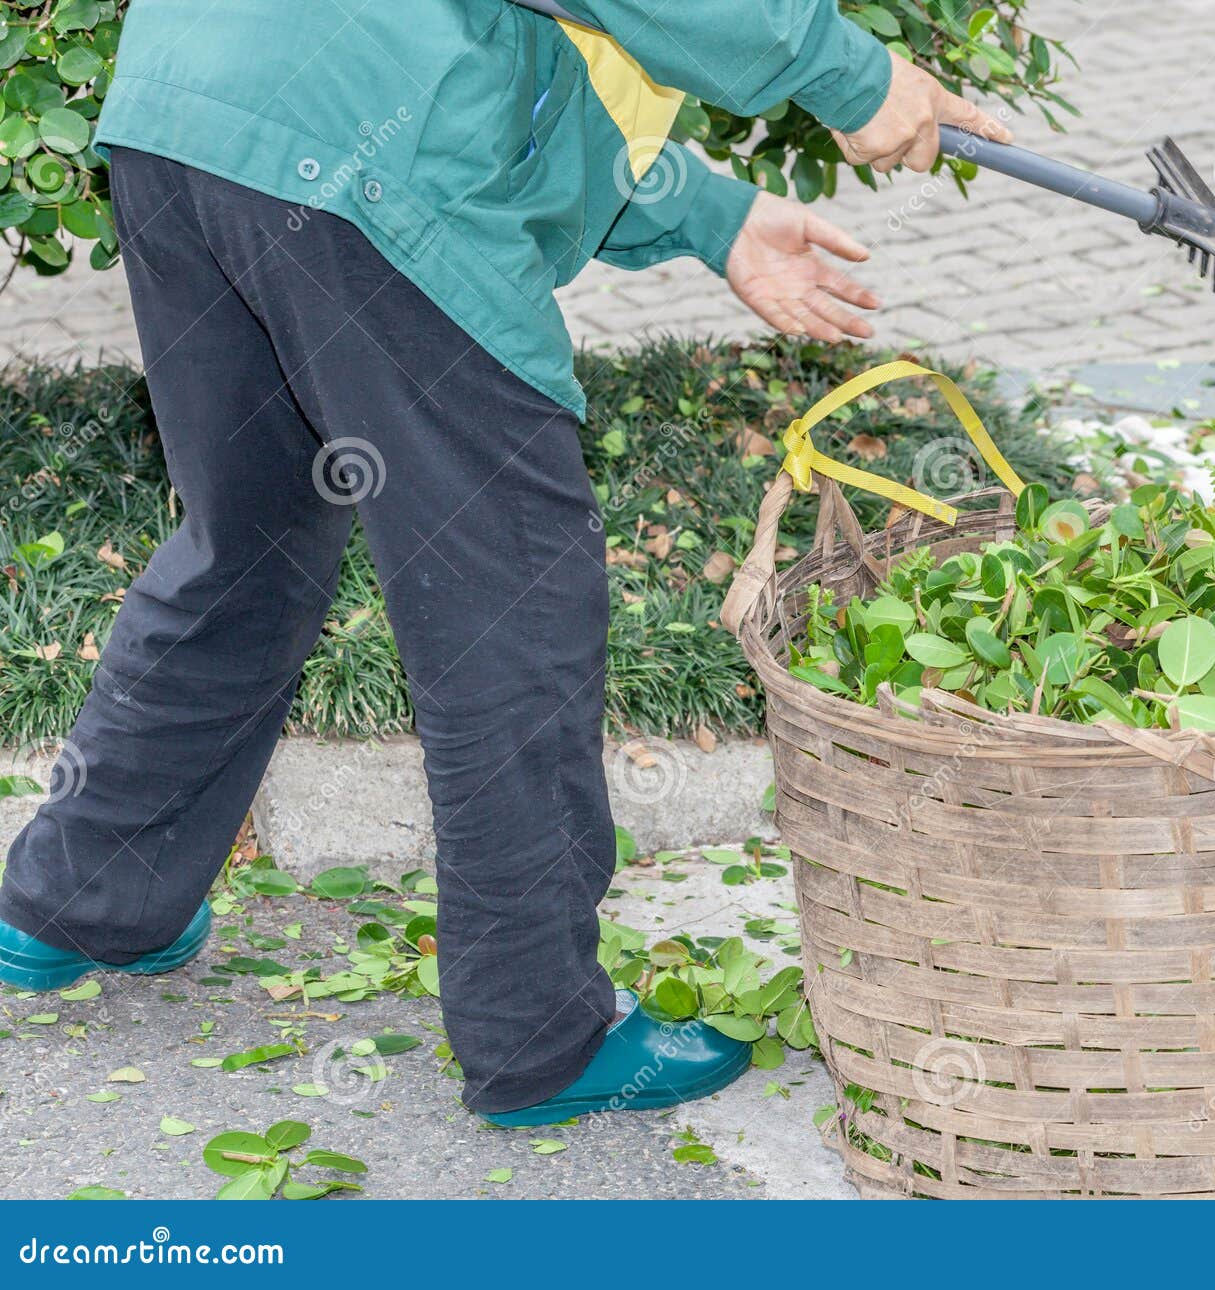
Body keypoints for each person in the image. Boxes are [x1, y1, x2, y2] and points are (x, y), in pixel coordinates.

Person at [0, 1, 1009, 1125]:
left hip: (192, 103)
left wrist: (715, 214)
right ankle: (538, 1033)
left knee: (254, 535)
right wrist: (847, 71)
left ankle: (80, 897)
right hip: (358, 157)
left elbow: (527, 59)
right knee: (512, 588)